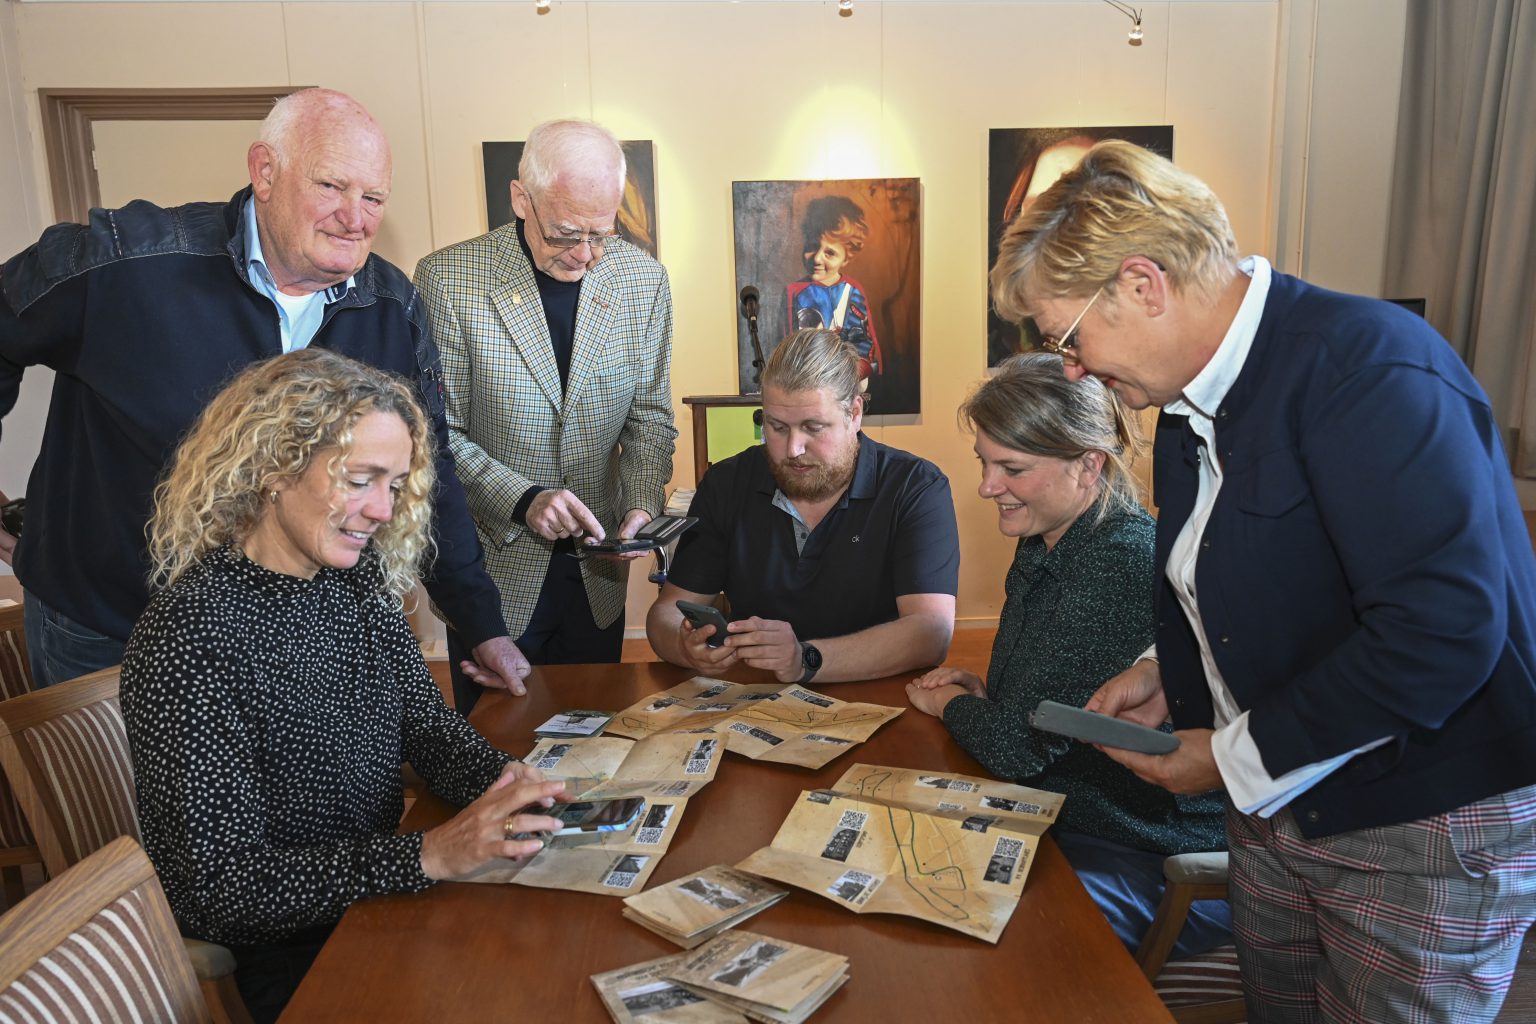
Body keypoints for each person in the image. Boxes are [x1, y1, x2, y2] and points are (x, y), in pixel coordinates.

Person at [991, 139, 1536, 1022]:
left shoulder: (1369, 370)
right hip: (1280, 810)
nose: (1074, 367)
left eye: (1068, 336)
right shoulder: (1180, 404)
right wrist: (1167, 672)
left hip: (1421, 824)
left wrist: (1231, 759)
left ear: (1142, 284)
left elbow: (1439, 635)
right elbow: (1264, 584)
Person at [0, 87, 528, 696]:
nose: (355, 218)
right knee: (113, 796)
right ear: (265, 171)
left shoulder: (389, 306)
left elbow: (425, 476)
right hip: (111, 626)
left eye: (374, 196)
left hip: (292, 630)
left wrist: (481, 623)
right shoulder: (124, 260)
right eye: (331, 187)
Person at [120, 350, 569, 1022]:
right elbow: (218, 886)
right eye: (362, 480)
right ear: (274, 466)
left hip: (380, 903)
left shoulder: (350, 584)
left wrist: (510, 782)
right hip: (292, 957)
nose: (384, 510)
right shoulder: (191, 633)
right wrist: (428, 855)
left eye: (395, 485)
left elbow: (428, 729)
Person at [905, 353, 1229, 956]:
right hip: (1080, 823)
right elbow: (1034, 717)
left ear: (1089, 466)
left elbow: (1013, 749)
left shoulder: (1114, 560)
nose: (986, 486)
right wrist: (989, 700)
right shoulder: (1048, 537)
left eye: (1012, 468)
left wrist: (949, 705)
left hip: (1145, 853)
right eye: (985, 462)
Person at [414, 118, 676, 713]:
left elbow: (650, 417)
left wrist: (640, 503)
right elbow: (436, 432)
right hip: (491, 569)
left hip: (599, 577)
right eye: (564, 234)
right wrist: (524, 497)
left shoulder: (644, 282)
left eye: (601, 234)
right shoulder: (450, 280)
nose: (585, 255)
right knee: (497, 745)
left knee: (593, 745)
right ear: (520, 200)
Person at [647, 328, 958, 685]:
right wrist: (685, 646)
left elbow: (931, 633)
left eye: (813, 427)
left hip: (882, 695)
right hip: (760, 701)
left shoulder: (915, 487)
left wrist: (805, 659)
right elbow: (665, 614)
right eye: (777, 427)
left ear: (855, 414)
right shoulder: (727, 484)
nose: (793, 449)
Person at [786, 195, 883, 382]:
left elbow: (864, 344)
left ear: (846, 258)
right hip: (806, 382)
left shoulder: (853, 290)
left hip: (847, 380)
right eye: (812, 247)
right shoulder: (794, 292)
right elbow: (788, 344)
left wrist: (850, 374)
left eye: (829, 253)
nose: (816, 259)